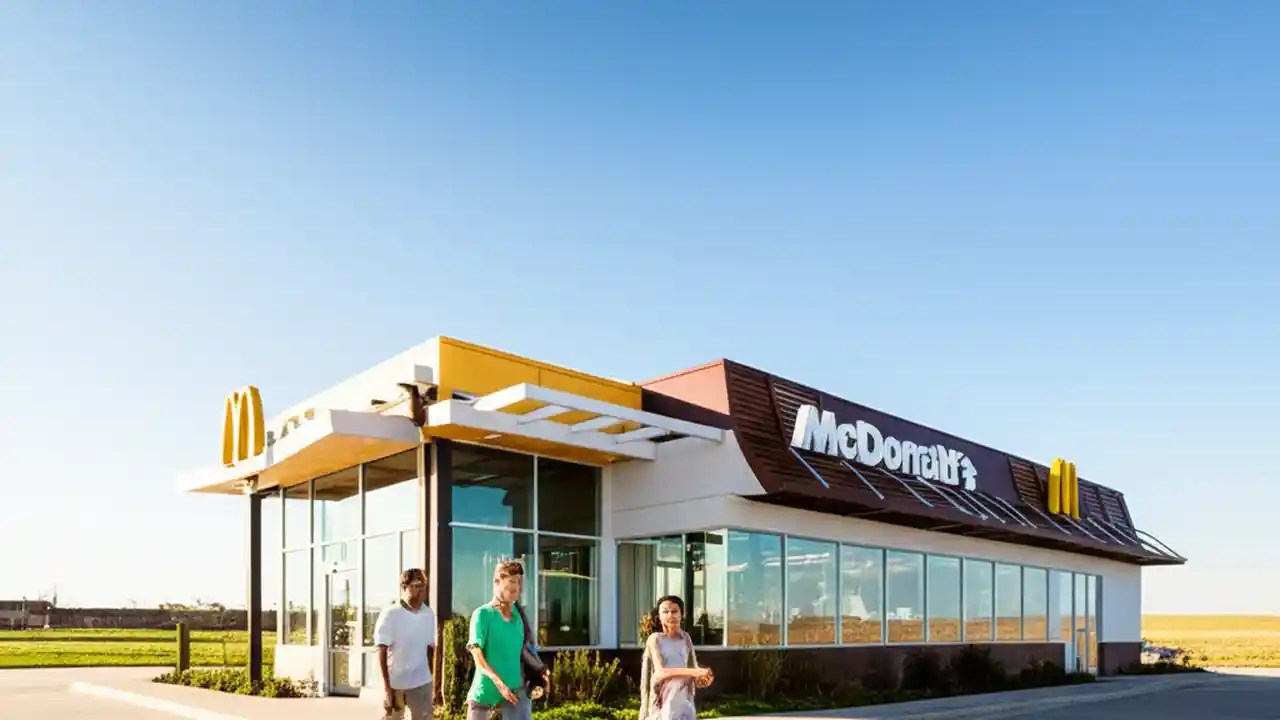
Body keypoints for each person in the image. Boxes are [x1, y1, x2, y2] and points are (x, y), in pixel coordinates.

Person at [467, 561, 547, 720]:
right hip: (485, 693)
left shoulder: (518, 617)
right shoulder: (482, 614)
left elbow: (526, 647)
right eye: (510, 584)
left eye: (518, 583)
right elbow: (477, 655)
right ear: (496, 582)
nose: (515, 588)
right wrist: (500, 684)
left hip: (517, 691)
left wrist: (540, 669)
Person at [373, 568, 437, 720]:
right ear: (404, 587)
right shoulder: (390, 614)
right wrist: (386, 688)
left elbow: (431, 649)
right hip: (396, 684)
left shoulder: (429, 614)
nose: (421, 590)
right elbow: (381, 651)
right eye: (416, 585)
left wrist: (434, 682)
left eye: (423, 585)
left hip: (422, 682)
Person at [640, 595, 713, 720]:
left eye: (674, 611)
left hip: (684, 704)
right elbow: (660, 673)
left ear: (681, 614)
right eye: (665, 612)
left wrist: (703, 679)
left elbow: (693, 673)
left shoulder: (686, 639)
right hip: (662, 706)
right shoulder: (655, 639)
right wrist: (695, 672)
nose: (670, 615)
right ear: (659, 616)